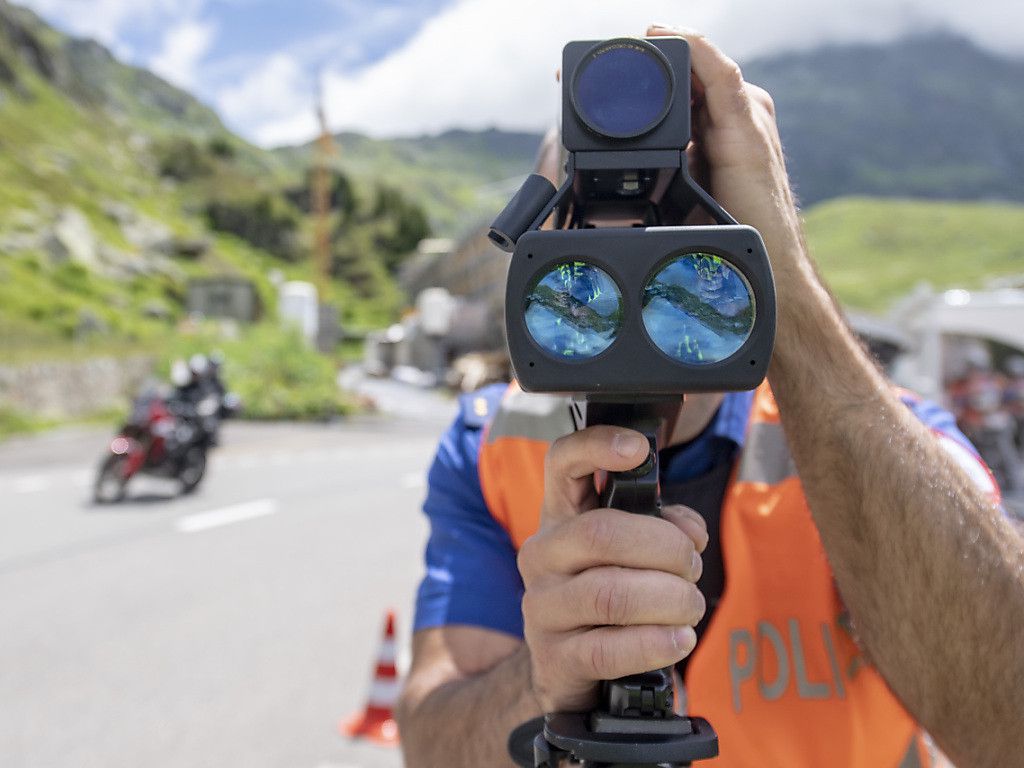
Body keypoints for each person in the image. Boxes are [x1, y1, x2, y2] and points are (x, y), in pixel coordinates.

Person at [396, 26, 1024, 768]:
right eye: (580, 272)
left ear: (746, 253)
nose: (632, 299)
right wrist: (539, 683)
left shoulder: (891, 438)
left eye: (693, 271)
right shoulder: (487, 447)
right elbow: (431, 742)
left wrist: (789, 290)